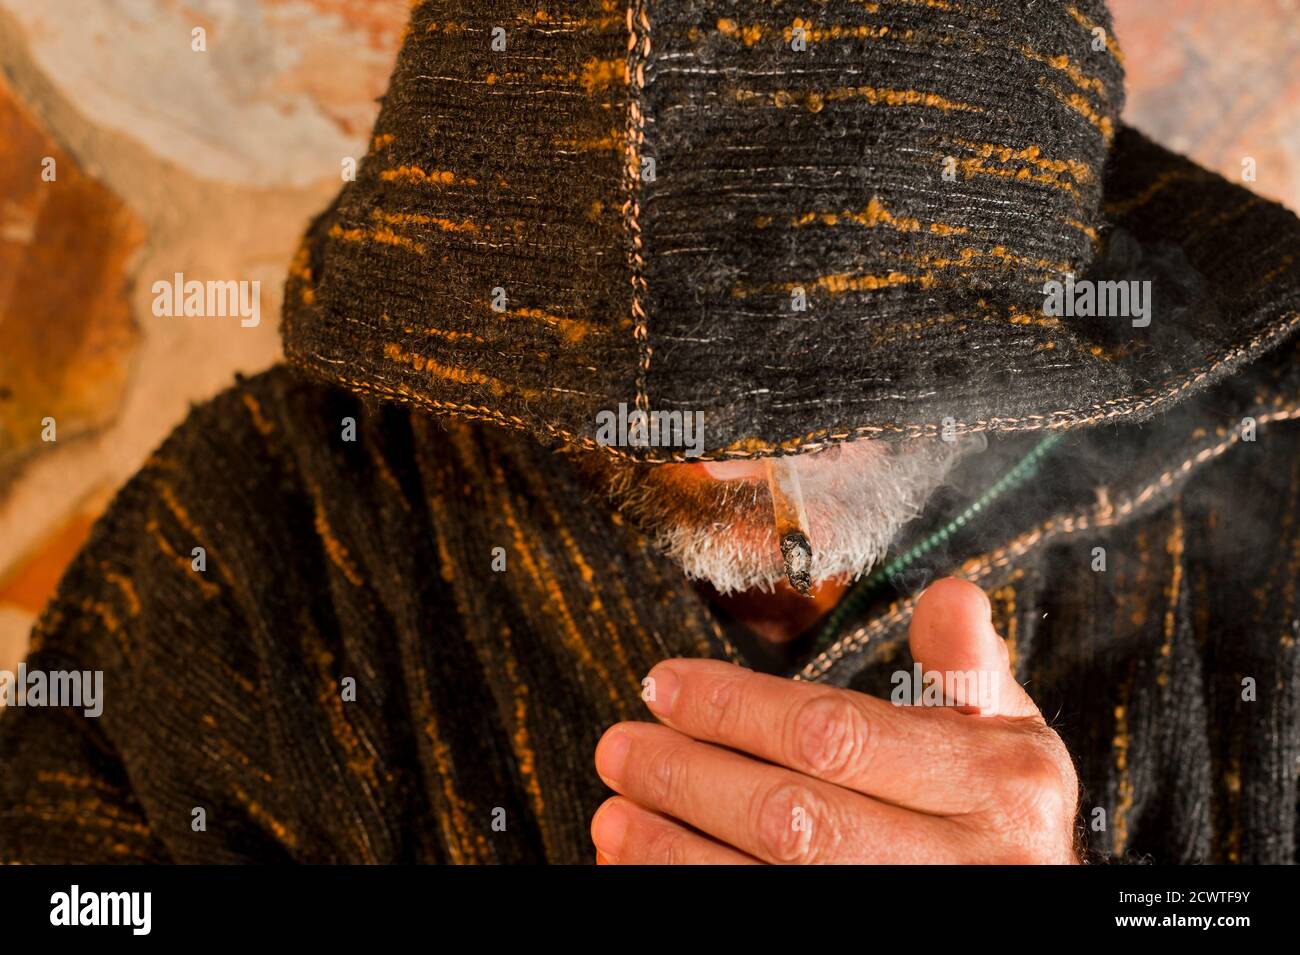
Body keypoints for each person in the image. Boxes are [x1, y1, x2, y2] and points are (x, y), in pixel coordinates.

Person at [2, 0, 1298, 864]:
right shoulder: (242, 556)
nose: (736, 456)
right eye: (631, 373)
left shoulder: (1280, 529)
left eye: (839, 361)